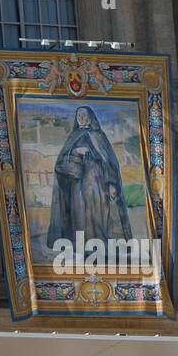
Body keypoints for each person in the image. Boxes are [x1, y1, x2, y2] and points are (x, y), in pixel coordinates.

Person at [45, 104, 132, 251]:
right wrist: (75, 152)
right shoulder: (73, 136)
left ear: (90, 117)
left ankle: (101, 247)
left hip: (97, 183)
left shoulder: (99, 136)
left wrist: (112, 183)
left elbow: (109, 162)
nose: (82, 118)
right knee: (79, 215)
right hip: (77, 184)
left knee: (98, 214)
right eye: (79, 116)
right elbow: (60, 162)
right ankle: (83, 248)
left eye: (84, 115)